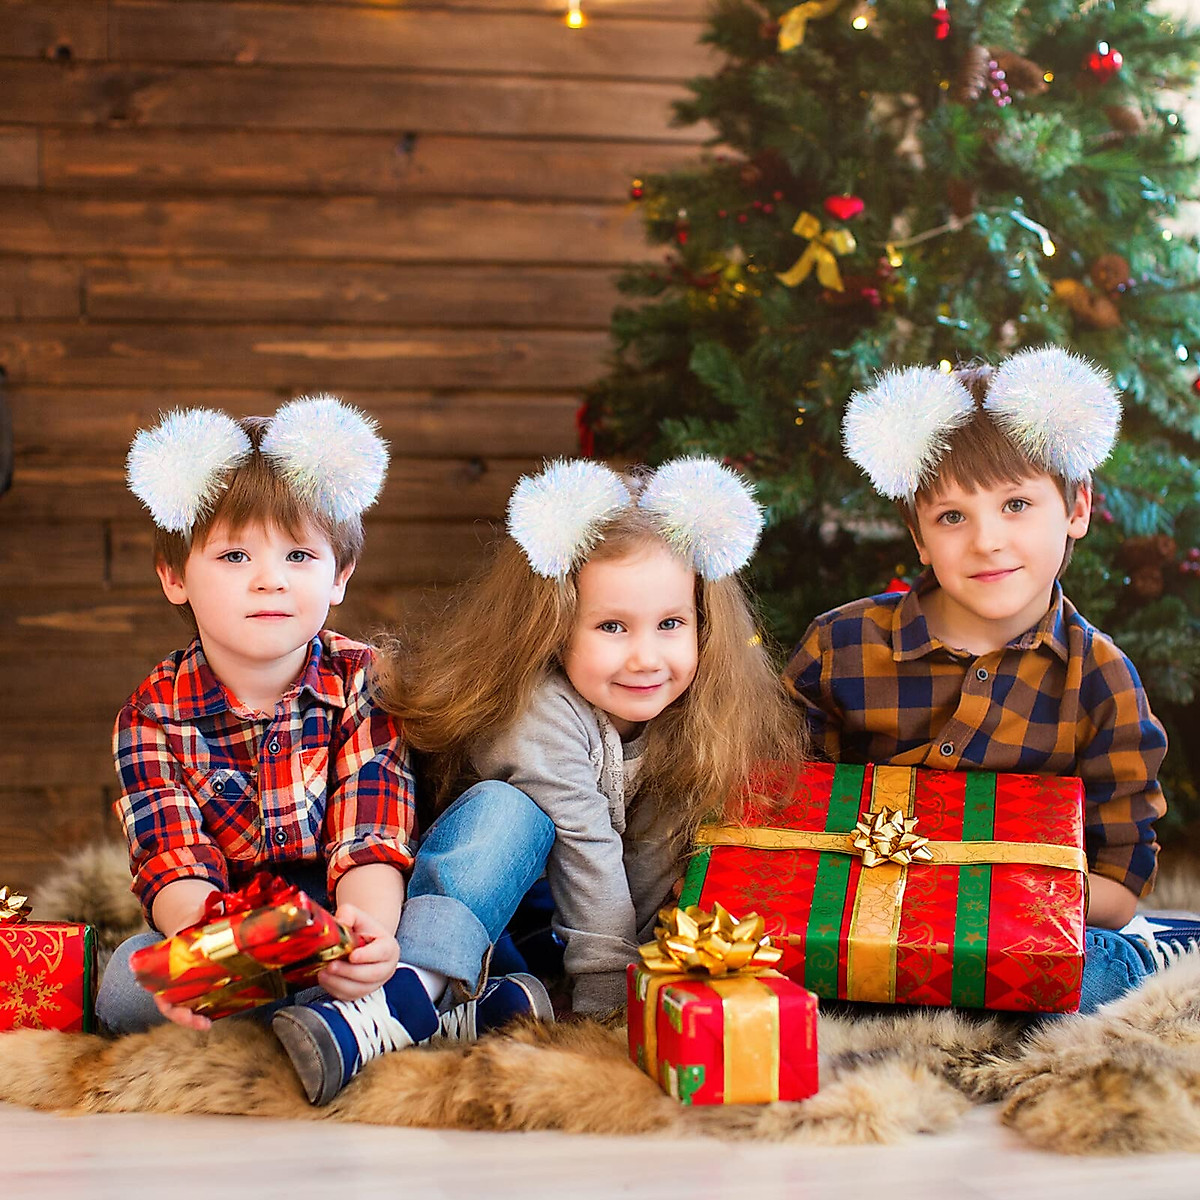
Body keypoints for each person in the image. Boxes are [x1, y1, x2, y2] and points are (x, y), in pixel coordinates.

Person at [98, 397, 549, 1107]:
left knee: (505, 814)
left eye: (299, 555)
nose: (270, 578)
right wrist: (216, 957)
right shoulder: (151, 714)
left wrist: (369, 934)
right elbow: (174, 869)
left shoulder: (364, 679)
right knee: (125, 983)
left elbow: (371, 835)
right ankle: (447, 1007)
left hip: (378, 908)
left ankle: (409, 987)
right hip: (252, 933)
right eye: (236, 555)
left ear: (339, 576)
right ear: (175, 575)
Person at [786, 345, 1198, 1013]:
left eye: (1015, 504)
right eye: (952, 516)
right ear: (920, 538)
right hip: (867, 920)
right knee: (779, 969)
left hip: (1024, 932)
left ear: (1076, 509)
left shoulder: (1101, 679)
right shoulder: (842, 645)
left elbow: (1118, 888)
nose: (987, 541)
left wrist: (983, 899)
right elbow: (783, 821)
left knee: (1094, 978)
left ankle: (1155, 954)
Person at [368, 456, 808, 1024]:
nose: (646, 658)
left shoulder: (688, 716)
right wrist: (608, 1009)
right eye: (612, 627)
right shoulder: (538, 712)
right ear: (554, 627)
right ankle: (409, 992)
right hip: (480, 913)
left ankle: (489, 1006)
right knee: (506, 811)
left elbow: (650, 860)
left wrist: (649, 979)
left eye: (670, 624)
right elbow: (585, 850)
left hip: (570, 937)